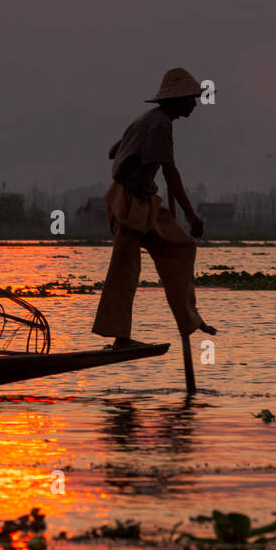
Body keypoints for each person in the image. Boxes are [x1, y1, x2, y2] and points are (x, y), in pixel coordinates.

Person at [92, 67, 217, 348]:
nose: (195, 104)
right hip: (128, 201)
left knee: (181, 247)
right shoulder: (158, 123)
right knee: (125, 269)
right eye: (191, 99)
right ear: (177, 100)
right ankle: (120, 337)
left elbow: (114, 150)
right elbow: (171, 174)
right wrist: (191, 215)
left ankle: (189, 320)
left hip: (145, 201)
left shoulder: (151, 121)